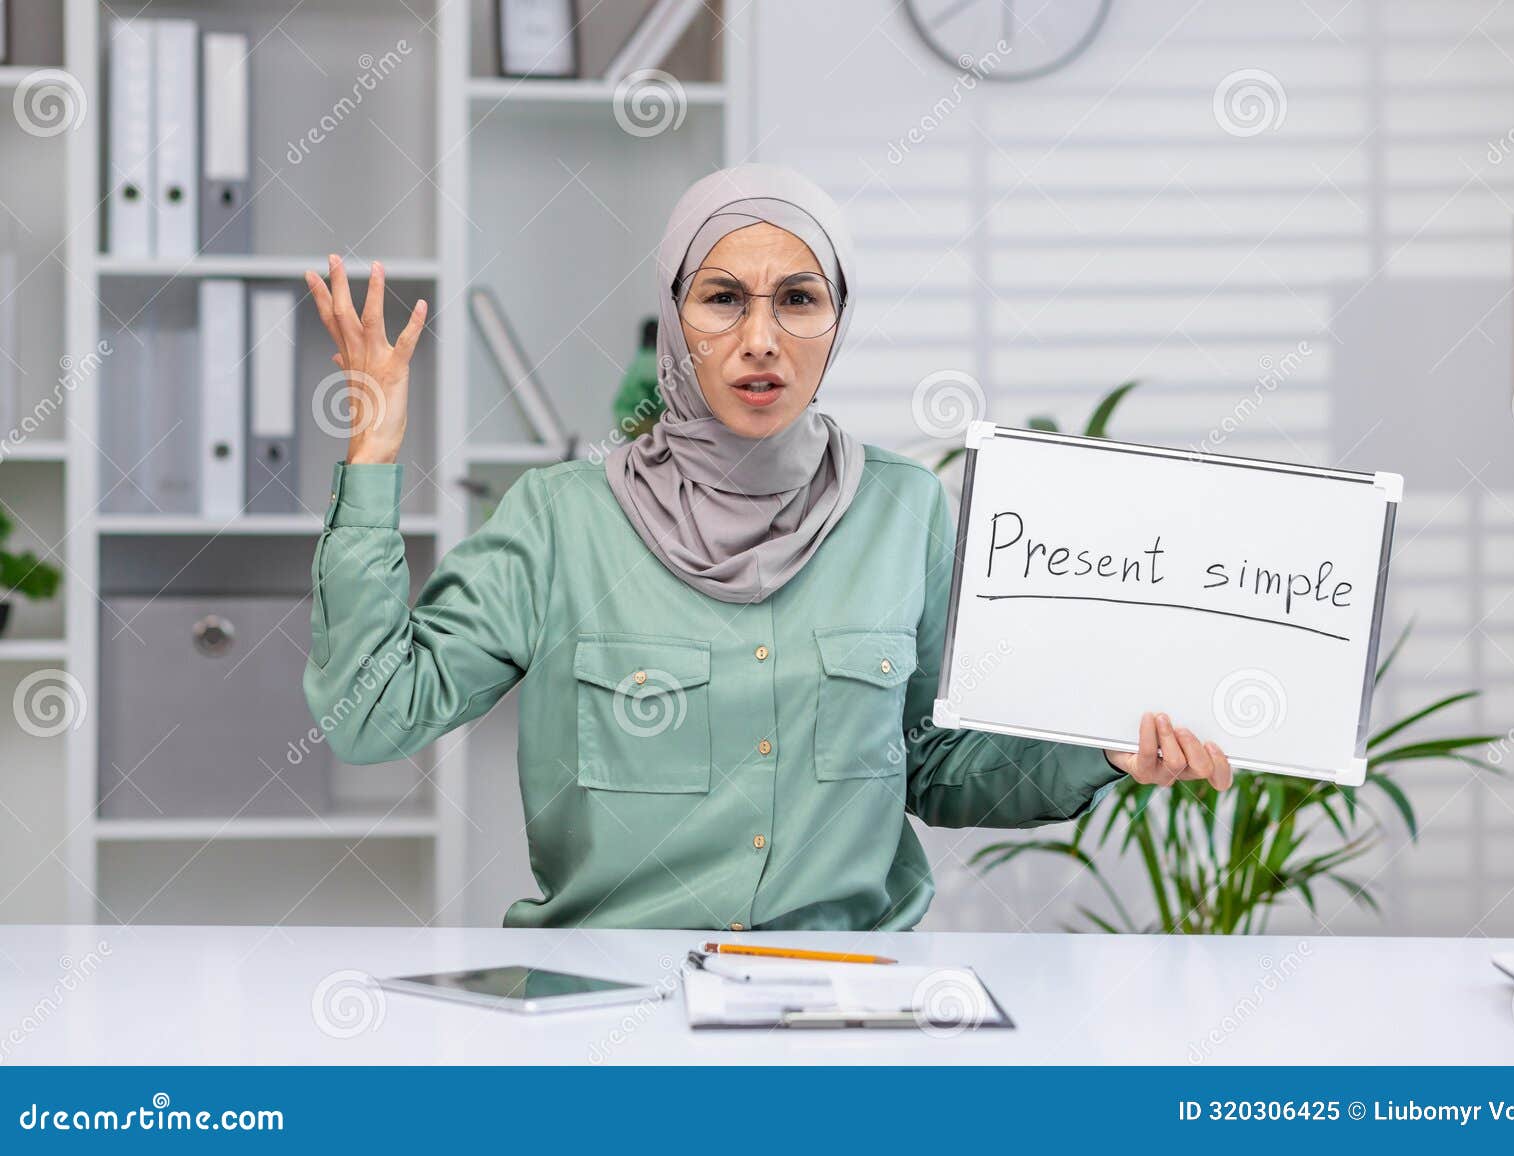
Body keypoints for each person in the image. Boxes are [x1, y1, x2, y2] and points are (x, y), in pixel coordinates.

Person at [301, 163, 1233, 932]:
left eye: (797, 300)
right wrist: (375, 448)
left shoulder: (904, 510)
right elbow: (370, 715)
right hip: (613, 1009)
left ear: (838, 322)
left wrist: (1104, 753)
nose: (760, 340)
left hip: (851, 1005)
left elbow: (935, 767)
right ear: (675, 317)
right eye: (722, 299)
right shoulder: (559, 519)